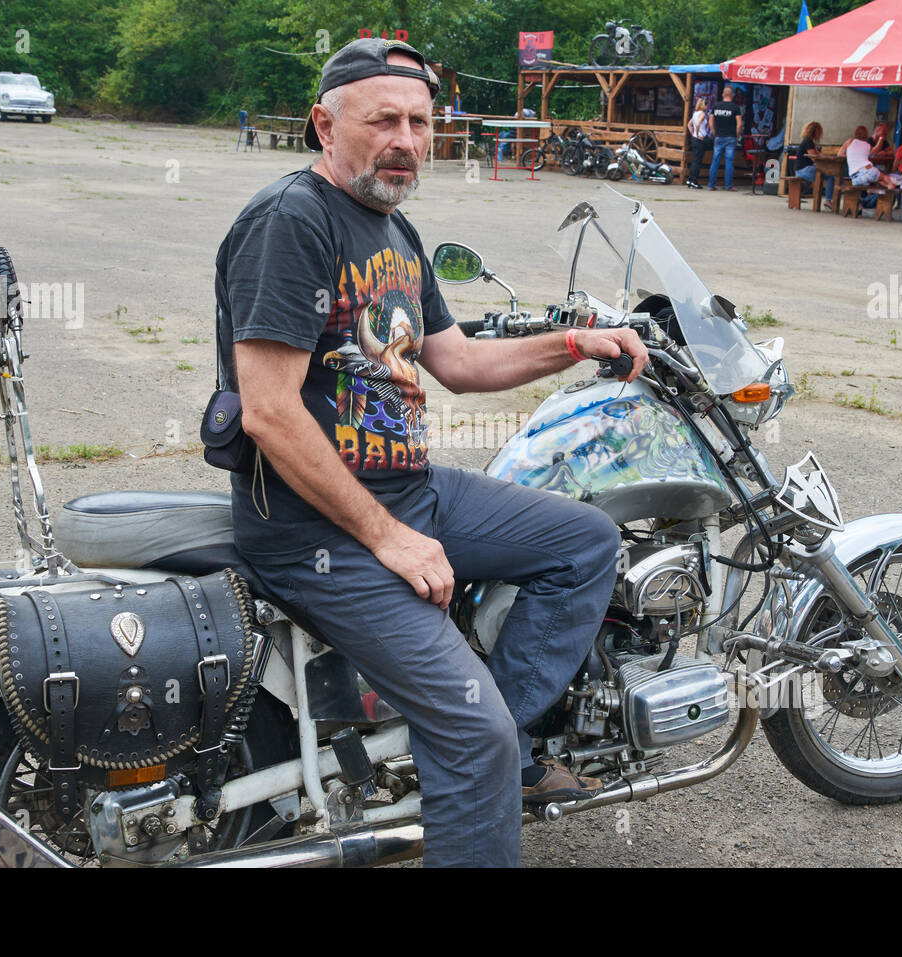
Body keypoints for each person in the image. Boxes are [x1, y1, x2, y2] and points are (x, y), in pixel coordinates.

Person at [213, 37, 648, 868]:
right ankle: (482, 746)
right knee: (468, 728)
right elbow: (268, 411)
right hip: (318, 529)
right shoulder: (292, 222)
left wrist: (576, 344)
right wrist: (387, 537)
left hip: (407, 489)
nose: (406, 140)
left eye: (420, 123)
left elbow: (457, 361)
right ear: (324, 125)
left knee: (586, 542)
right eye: (383, 120)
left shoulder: (393, 226)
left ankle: (501, 752)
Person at [706, 85, 743, 191]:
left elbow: (710, 121)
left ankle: (711, 185)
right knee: (729, 162)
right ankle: (729, 186)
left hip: (718, 137)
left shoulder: (716, 106)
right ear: (732, 95)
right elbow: (739, 124)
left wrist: (714, 133)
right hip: (731, 137)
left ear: (723, 94)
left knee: (715, 161)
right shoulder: (735, 108)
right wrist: (737, 135)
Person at [839, 124, 896, 190]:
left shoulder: (849, 141)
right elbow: (875, 150)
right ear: (866, 134)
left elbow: (840, 154)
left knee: (878, 180)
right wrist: (881, 138)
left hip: (855, 179)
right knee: (883, 177)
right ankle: (891, 186)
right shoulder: (867, 145)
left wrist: (850, 155)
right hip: (867, 170)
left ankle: (882, 191)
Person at [792, 120, 834, 209]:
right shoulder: (808, 142)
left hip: (802, 170)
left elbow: (818, 154)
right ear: (816, 132)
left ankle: (828, 200)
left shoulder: (809, 142)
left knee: (829, 176)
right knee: (829, 174)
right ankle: (827, 200)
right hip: (803, 170)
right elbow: (814, 157)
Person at [685, 96, 710, 188]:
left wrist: (693, 133)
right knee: (698, 161)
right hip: (700, 139)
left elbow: (689, 124)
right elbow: (698, 123)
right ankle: (694, 181)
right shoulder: (702, 114)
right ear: (704, 105)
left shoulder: (695, 113)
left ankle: (690, 180)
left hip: (694, 139)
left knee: (695, 160)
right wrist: (698, 133)